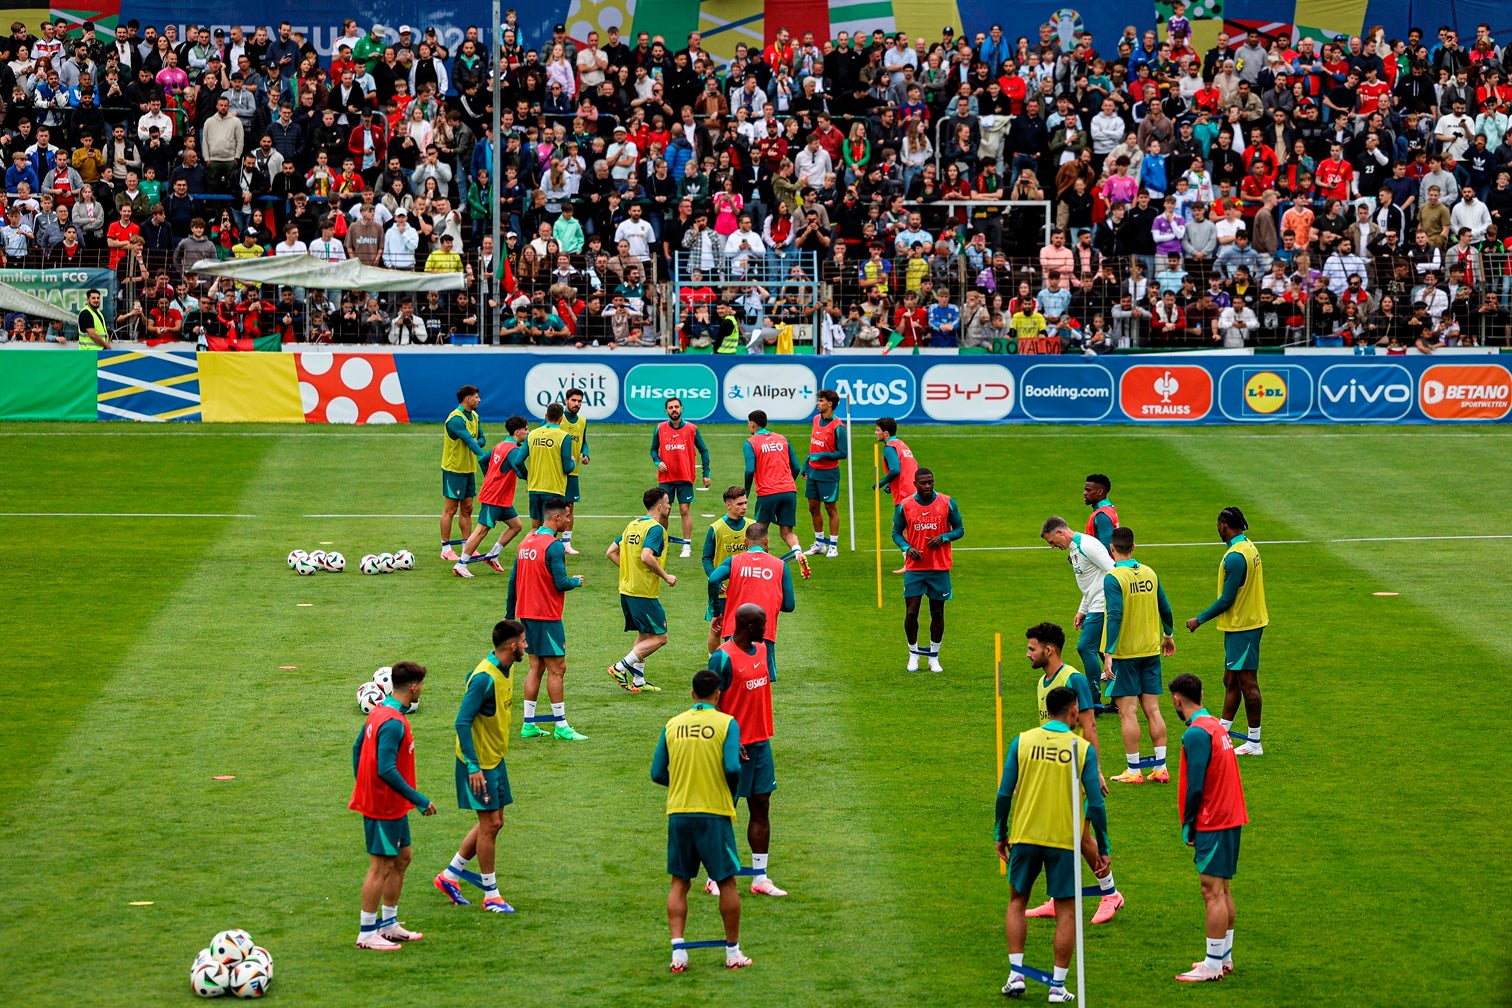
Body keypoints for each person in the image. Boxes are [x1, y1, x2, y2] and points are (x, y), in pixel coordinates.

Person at [995, 685, 1108, 1002]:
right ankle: (1057, 986)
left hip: (1025, 836)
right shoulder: (1082, 749)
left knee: (1017, 901)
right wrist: (1105, 848)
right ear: (1073, 710)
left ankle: (1016, 975)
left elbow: (1005, 793)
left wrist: (999, 833)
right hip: (1064, 841)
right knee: (1066, 912)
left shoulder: (1023, 741)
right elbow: (1096, 805)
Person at [1021, 623, 1123, 925]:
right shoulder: (1043, 683)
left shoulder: (1073, 679)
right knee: (1058, 834)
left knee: (1079, 835)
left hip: (1077, 770)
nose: (1028, 654)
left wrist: (1097, 771)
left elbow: (1090, 727)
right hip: (1054, 770)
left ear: (1048, 649)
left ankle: (1110, 894)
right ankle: (1058, 898)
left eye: (1032, 648)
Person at [651, 669, 752, 972]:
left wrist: (684, 781)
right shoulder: (726, 724)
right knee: (727, 881)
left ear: (692, 694)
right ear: (718, 694)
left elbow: (657, 773)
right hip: (713, 813)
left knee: (679, 882)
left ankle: (678, 953)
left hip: (679, 812)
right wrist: (726, 788)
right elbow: (733, 768)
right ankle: (732, 951)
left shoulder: (673, 724)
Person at [433, 620, 527, 914]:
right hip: (478, 763)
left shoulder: (504, 667)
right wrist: (473, 766)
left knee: (496, 822)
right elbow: (462, 721)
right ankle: (491, 895)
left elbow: (470, 679)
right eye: (523, 641)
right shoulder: (485, 678)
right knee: (490, 824)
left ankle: (449, 876)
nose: (526, 645)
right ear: (512, 646)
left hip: (494, 758)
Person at [703, 602, 787, 898]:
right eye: (763, 624)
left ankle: (760, 877)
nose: (767, 629)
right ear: (749, 626)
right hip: (732, 747)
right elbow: (709, 704)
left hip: (761, 742)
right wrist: (728, 739)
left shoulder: (762, 650)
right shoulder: (722, 658)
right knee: (725, 810)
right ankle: (715, 875)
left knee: (761, 804)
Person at [349, 660, 435, 950]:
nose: (422, 689)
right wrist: (419, 800)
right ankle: (366, 933)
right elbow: (386, 769)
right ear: (412, 687)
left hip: (392, 804)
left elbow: (357, 748)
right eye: (421, 685)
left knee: (402, 858)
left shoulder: (379, 713)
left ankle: (389, 924)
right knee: (380, 866)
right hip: (383, 805)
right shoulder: (393, 723)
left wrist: (362, 782)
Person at [1168, 673, 1247, 982]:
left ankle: (1212, 966)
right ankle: (1223, 957)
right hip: (1232, 815)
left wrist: (1189, 825)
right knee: (1223, 888)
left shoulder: (1197, 734)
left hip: (1214, 819)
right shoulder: (1215, 725)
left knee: (1211, 890)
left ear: (1177, 699)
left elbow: (1195, 786)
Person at [1185, 507, 1268, 756]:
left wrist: (1198, 620)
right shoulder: (1248, 546)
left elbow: (1227, 599)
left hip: (1243, 626)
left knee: (1247, 683)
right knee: (1230, 679)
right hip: (1244, 622)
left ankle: (1254, 742)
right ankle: (1223, 732)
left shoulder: (1234, 557)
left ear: (1223, 525)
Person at [504, 497, 589, 741]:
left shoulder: (526, 542)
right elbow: (561, 583)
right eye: (567, 516)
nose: (569, 520)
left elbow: (513, 581)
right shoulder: (554, 546)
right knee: (557, 669)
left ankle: (529, 724)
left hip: (526, 614)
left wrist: (511, 614)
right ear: (556, 517)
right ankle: (561, 726)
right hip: (547, 616)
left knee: (535, 667)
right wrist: (576, 581)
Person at [1101, 527, 1174, 785]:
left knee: (1128, 712)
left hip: (1125, 653)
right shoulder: (1150, 573)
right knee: (1153, 709)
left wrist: (1109, 651)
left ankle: (1134, 771)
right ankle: (1161, 768)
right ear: (1134, 547)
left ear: (1112, 549)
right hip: (1150, 649)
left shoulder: (1113, 578)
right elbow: (1164, 606)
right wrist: (1168, 634)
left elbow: (1116, 614)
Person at [606, 487, 678, 693]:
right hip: (643, 592)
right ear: (659, 506)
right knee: (660, 637)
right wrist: (666, 576)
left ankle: (638, 680)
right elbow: (647, 556)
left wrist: (630, 568)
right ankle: (620, 667)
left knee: (645, 634)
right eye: (667, 502)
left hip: (627, 589)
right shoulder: (655, 529)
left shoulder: (633, 525)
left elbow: (610, 552)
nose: (669, 505)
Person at [891, 468, 964, 673]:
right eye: (923, 483)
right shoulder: (905, 506)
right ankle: (913, 654)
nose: (927, 486)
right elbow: (896, 533)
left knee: (937, 612)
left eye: (930, 482)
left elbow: (960, 529)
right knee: (912, 611)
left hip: (939, 568)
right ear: (915, 484)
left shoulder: (947, 502)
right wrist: (907, 548)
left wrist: (944, 537)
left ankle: (934, 656)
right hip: (915, 568)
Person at [1040, 516, 1116, 708]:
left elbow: (1114, 571)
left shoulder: (1088, 546)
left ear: (1060, 532)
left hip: (1102, 606)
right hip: (1093, 605)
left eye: (1051, 541)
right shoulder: (1075, 550)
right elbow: (1090, 582)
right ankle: (1117, 698)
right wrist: (1082, 610)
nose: (1052, 546)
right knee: (1101, 650)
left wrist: (1111, 605)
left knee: (1085, 647)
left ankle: (1093, 700)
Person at [709, 522, 796, 679]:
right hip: (764, 631)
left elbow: (713, 579)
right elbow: (789, 605)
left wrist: (716, 611)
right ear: (766, 541)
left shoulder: (733, 561)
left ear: (745, 542)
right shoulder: (780, 565)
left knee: (733, 678)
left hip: (735, 630)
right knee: (759, 681)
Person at [453, 416, 529, 578]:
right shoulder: (513, 450)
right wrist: (530, 478)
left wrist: (491, 476)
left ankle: (492, 555)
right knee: (481, 530)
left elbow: (482, 461)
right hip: (494, 497)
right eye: (526, 430)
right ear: (517, 432)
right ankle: (461, 564)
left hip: (501, 497)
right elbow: (519, 466)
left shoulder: (500, 445)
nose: (528, 433)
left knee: (516, 525)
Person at [743, 409, 811, 578]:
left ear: (752, 423)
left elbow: (750, 469)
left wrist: (747, 490)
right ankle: (798, 552)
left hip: (767, 492)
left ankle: (760, 567)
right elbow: (796, 466)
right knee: (786, 531)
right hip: (788, 491)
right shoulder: (782, 439)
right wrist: (787, 483)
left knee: (759, 531)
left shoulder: (751, 442)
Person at [652, 396, 712, 559]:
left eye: (676, 407)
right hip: (665, 478)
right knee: (664, 512)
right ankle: (661, 544)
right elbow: (652, 450)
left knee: (685, 510)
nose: (674, 410)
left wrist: (706, 474)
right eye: (670, 407)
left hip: (685, 477)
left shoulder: (692, 429)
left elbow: (703, 450)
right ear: (666, 411)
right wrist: (657, 462)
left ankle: (686, 546)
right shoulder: (660, 428)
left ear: (682, 409)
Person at [440, 384, 488, 562]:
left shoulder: (474, 416)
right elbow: (470, 440)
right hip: (454, 470)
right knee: (450, 509)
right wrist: (486, 459)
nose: (479, 400)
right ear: (468, 399)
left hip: (468, 469)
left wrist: (477, 444)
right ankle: (446, 548)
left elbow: (481, 439)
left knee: (467, 508)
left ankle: (468, 546)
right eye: (476, 397)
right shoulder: (455, 419)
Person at [702, 486, 750, 655]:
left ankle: (740, 663)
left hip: (745, 590)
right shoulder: (716, 528)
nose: (744, 507)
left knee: (743, 629)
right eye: (739, 504)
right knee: (717, 628)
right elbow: (706, 558)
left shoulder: (752, 526)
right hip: (722, 591)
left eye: (745, 503)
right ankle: (714, 664)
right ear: (728, 505)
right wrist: (715, 578)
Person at [802, 389, 847, 559]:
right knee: (813, 507)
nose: (817, 404)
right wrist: (807, 464)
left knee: (830, 508)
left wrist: (823, 455)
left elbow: (843, 453)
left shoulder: (838, 427)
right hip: (813, 472)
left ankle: (833, 546)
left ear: (830, 403)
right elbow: (813, 445)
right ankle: (820, 544)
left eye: (821, 401)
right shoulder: (815, 420)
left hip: (828, 474)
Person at [873, 417, 918, 575]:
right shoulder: (902, 445)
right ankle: (914, 560)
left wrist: (881, 483)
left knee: (899, 529)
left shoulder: (889, 447)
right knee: (907, 528)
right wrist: (891, 485)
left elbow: (895, 470)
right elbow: (909, 467)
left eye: (877, 430)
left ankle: (911, 562)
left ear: (885, 433)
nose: (875, 433)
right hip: (913, 490)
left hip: (905, 494)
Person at [520, 402, 576, 530]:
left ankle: (525, 550)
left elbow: (518, 461)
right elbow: (567, 468)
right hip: (554, 490)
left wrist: (528, 477)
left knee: (535, 528)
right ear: (561, 418)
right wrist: (573, 462)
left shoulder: (532, 434)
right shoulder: (564, 437)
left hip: (534, 488)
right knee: (550, 528)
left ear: (546, 416)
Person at [558, 387, 590, 554]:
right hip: (556, 471)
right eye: (574, 401)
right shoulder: (558, 417)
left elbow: (583, 441)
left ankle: (566, 543)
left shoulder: (582, 421)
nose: (577, 404)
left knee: (569, 507)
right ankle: (549, 540)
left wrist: (586, 453)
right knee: (554, 506)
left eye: (579, 401)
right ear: (566, 401)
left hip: (573, 472)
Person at [1082, 474, 1119, 550]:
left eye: (1088, 490)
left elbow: (1106, 547)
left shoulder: (1102, 515)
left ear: (1100, 492)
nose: (1085, 493)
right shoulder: (1108, 507)